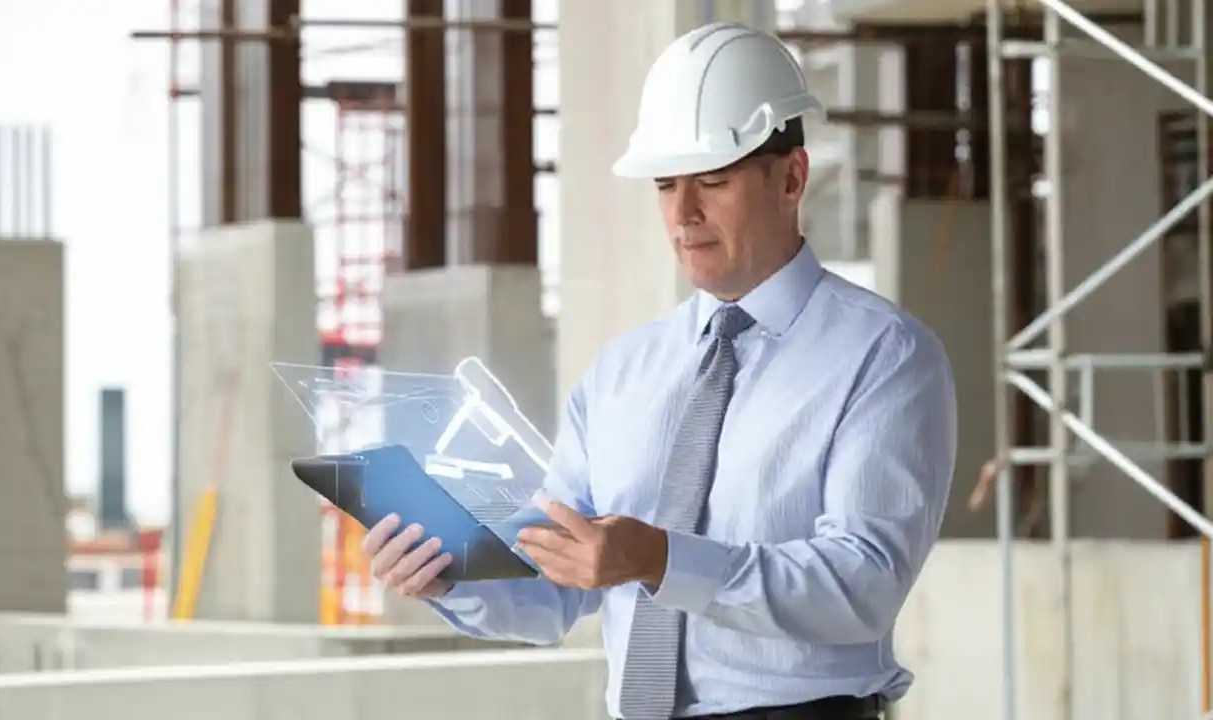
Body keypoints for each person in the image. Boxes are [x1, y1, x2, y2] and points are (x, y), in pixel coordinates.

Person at [361, 21, 957, 720]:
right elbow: (562, 579)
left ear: (792, 177)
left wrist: (661, 561)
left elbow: (860, 587)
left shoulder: (883, 357)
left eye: (713, 180)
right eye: (666, 184)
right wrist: (452, 573)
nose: (684, 214)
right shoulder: (622, 372)